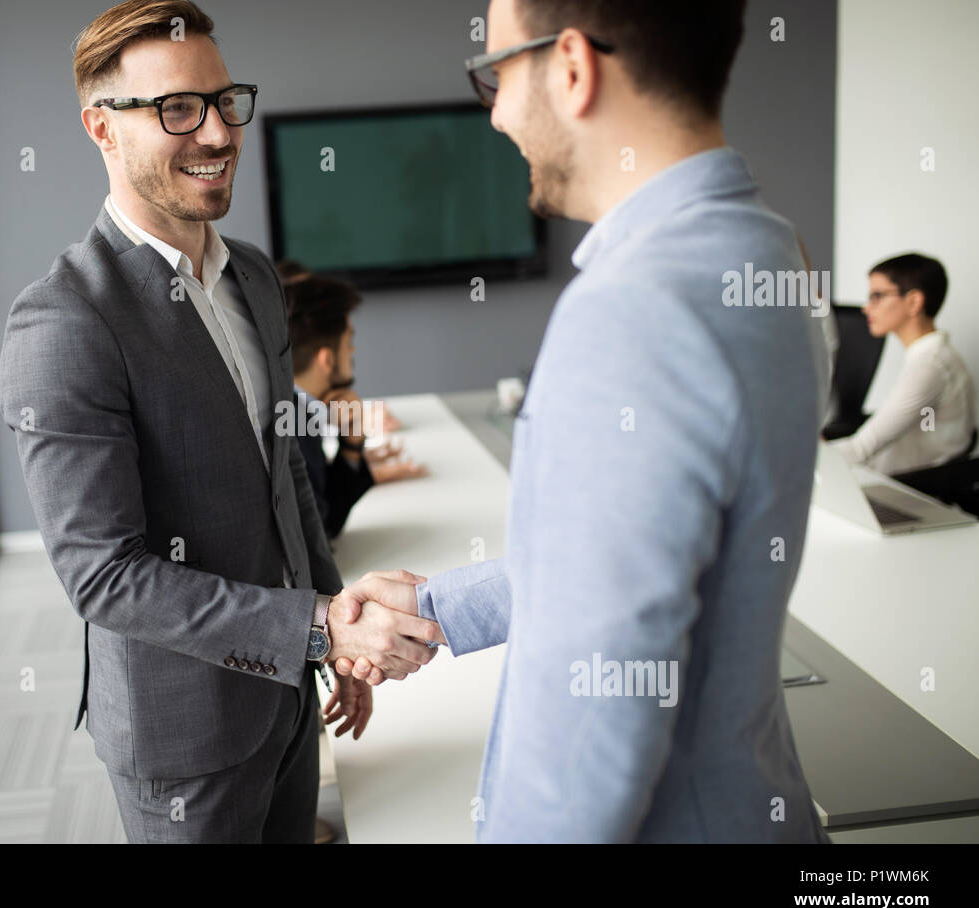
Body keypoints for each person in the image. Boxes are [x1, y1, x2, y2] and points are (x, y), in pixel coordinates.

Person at [332, 0, 831, 843]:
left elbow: (592, 733)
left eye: (496, 75)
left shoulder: (630, 312)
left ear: (570, 65)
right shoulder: (768, 253)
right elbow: (644, 564)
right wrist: (444, 607)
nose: (493, 110)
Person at [0, 0, 440, 844]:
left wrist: (332, 626)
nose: (215, 131)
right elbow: (104, 576)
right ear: (102, 128)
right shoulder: (64, 322)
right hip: (185, 738)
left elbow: (286, 482)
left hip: (288, 695)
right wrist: (312, 628)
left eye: (223, 99)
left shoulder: (257, 280)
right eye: (175, 109)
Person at [278, 263, 428, 539]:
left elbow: (325, 515)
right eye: (349, 342)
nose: (353, 350)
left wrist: (351, 441)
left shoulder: (294, 409)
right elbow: (324, 530)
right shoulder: (294, 425)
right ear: (327, 359)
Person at [828, 253, 975, 474]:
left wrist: (804, 454)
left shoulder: (931, 367)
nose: (866, 308)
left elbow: (861, 449)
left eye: (877, 296)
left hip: (906, 486)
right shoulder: (932, 358)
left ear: (914, 301)